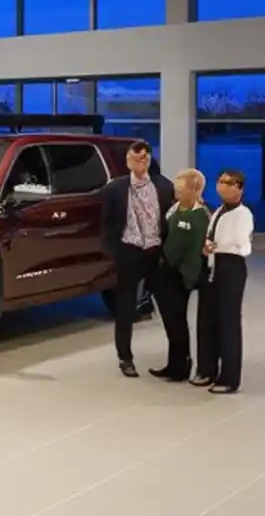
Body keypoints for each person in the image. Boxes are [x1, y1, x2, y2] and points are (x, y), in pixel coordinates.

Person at [101, 140, 175, 378]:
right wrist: (113, 251)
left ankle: (177, 358)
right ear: (128, 161)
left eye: (144, 158)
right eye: (136, 158)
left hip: (155, 252)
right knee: (124, 307)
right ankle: (125, 358)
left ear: (150, 159)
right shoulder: (115, 189)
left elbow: (171, 220)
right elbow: (107, 222)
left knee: (168, 305)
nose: (140, 162)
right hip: (129, 251)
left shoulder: (164, 186)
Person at [193, 169, 254, 394]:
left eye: (229, 183)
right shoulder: (218, 210)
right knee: (208, 320)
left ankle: (229, 377)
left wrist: (216, 246)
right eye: (220, 181)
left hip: (230, 268)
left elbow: (241, 244)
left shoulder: (243, 213)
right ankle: (207, 369)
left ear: (239, 188)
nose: (223, 186)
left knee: (228, 322)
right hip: (212, 267)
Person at [149, 168, 210, 382]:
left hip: (179, 275)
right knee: (170, 321)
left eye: (180, 190)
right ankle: (173, 363)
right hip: (166, 270)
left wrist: (188, 279)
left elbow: (194, 251)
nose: (176, 194)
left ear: (195, 190)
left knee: (177, 320)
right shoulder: (176, 209)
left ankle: (181, 366)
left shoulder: (200, 216)